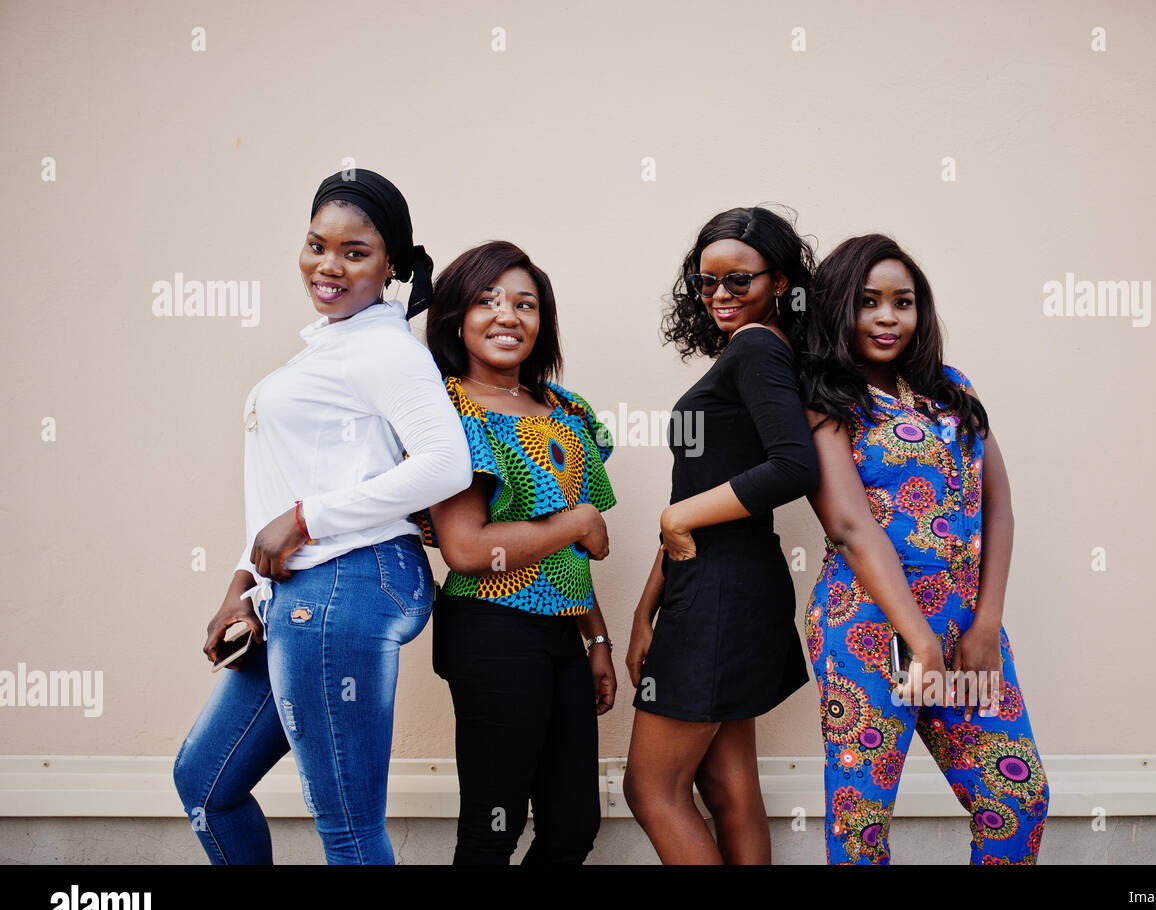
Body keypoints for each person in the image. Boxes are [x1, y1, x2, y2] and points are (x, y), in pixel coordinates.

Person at [173, 169, 472, 865]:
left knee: (347, 827)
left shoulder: (386, 349)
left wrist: (306, 518)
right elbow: (291, 482)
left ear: (392, 263)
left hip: (353, 579)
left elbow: (445, 464)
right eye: (316, 244)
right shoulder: (332, 348)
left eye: (355, 251)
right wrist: (241, 581)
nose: (328, 265)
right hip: (299, 591)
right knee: (204, 784)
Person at [800, 233, 1048, 864]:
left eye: (902, 302)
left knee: (1017, 798)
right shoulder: (824, 397)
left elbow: (998, 504)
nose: (888, 317)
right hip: (870, 628)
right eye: (868, 301)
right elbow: (852, 528)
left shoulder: (951, 387)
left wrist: (986, 621)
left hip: (964, 622)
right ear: (836, 307)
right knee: (863, 820)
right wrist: (920, 640)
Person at [623, 206, 820, 864]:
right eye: (705, 283)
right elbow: (694, 497)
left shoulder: (758, 347)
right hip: (725, 585)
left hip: (718, 592)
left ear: (781, 281)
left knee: (651, 788)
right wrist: (648, 603)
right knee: (727, 784)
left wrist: (676, 522)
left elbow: (793, 465)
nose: (720, 296)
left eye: (739, 279)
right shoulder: (754, 352)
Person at [422, 240, 617, 865]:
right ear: (456, 317)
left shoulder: (564, 410)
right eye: (487, 301)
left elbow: (579, 555)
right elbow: (466, 548)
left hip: (562, 632)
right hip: (490, 628)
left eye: (525, 305)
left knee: (573, 826)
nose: (508, 316)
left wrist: (596, 640)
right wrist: (579, 520)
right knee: (493, 827)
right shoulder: (447, 410)